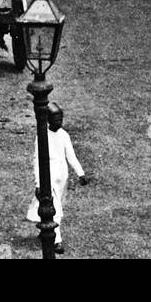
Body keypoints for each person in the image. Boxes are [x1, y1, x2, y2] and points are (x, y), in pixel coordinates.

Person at [26, 103, 88, 254]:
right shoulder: (42, 137)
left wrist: (80, 173)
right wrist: (38, 183)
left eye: (60, 119)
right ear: (47, 119)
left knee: (55, 204)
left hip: (62, 177)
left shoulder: (64, 135)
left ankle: (45, 228)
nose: (58, 122)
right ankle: (57, 241)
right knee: (55, 209)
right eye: (55, 119)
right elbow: (38, 161)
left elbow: (71, 156)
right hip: (49, 178)